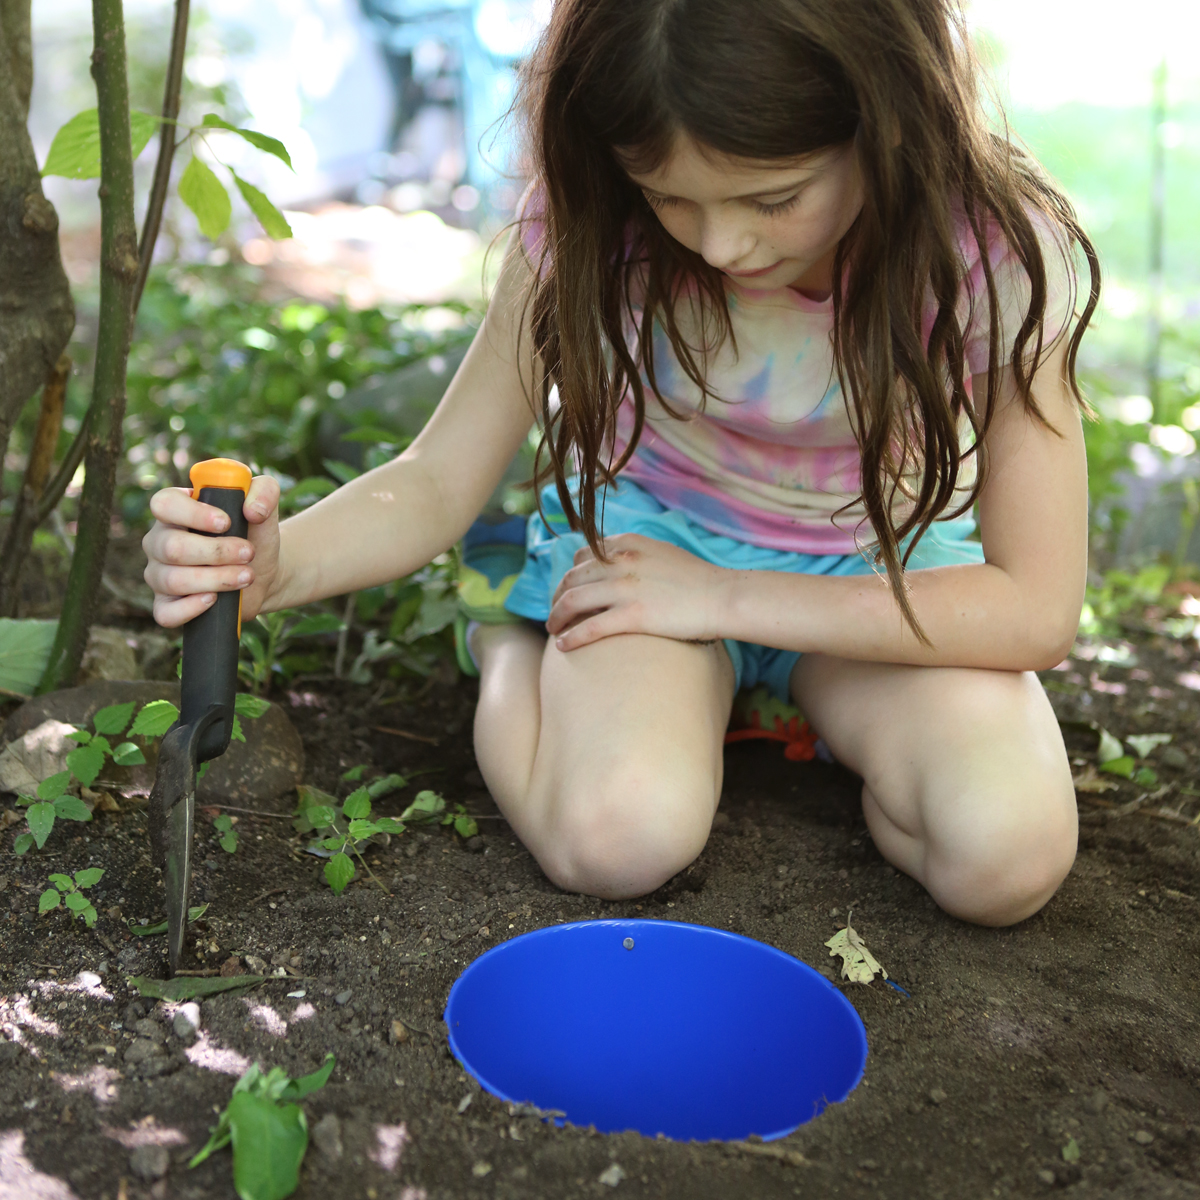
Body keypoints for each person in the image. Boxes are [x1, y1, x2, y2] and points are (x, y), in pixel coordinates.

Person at [143, 0, 1099, 928]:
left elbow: (1035, 607)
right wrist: (280, 564)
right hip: (645, 554)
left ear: (888, 122)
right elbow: (437, 477)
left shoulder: (991, 258)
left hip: (878, 571)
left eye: (775, 198)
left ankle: (781, 692)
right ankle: (510, 637)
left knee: (1003, 857)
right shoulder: (589, 219)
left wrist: (724, 597)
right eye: (668, 194)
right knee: (614, 837)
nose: (721, 244)